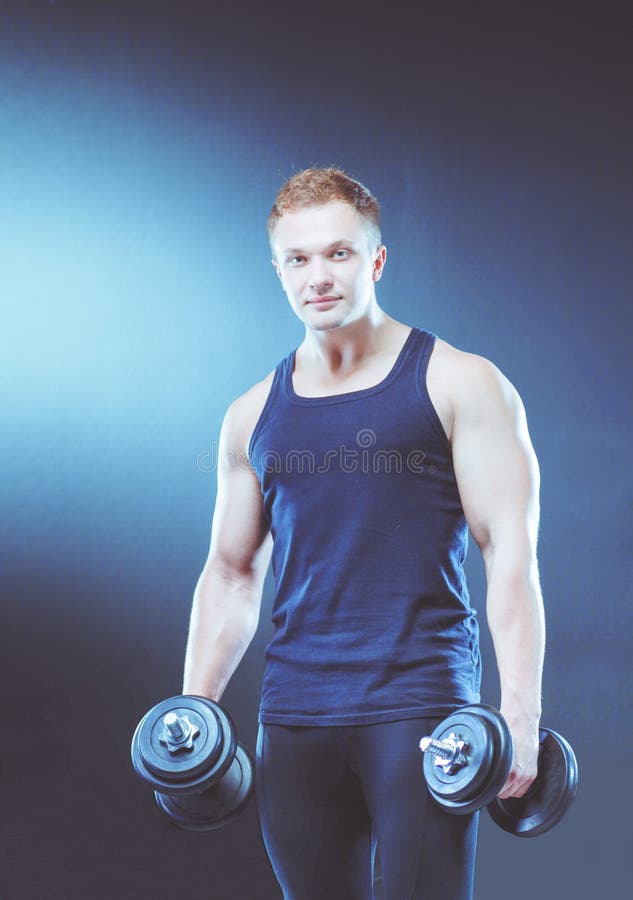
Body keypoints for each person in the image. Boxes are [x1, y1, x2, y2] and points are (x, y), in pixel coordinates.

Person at [182, 167, 545, 899]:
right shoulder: (251, 415)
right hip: (293, 716)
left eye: (338, 253)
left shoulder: (457, 383)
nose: (318, 275)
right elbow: (229, 572)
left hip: (419, 709)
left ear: (375, 260)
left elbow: (508, 552)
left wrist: (520, 713)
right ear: (278, 269)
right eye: (298, 258)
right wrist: (194, 712)